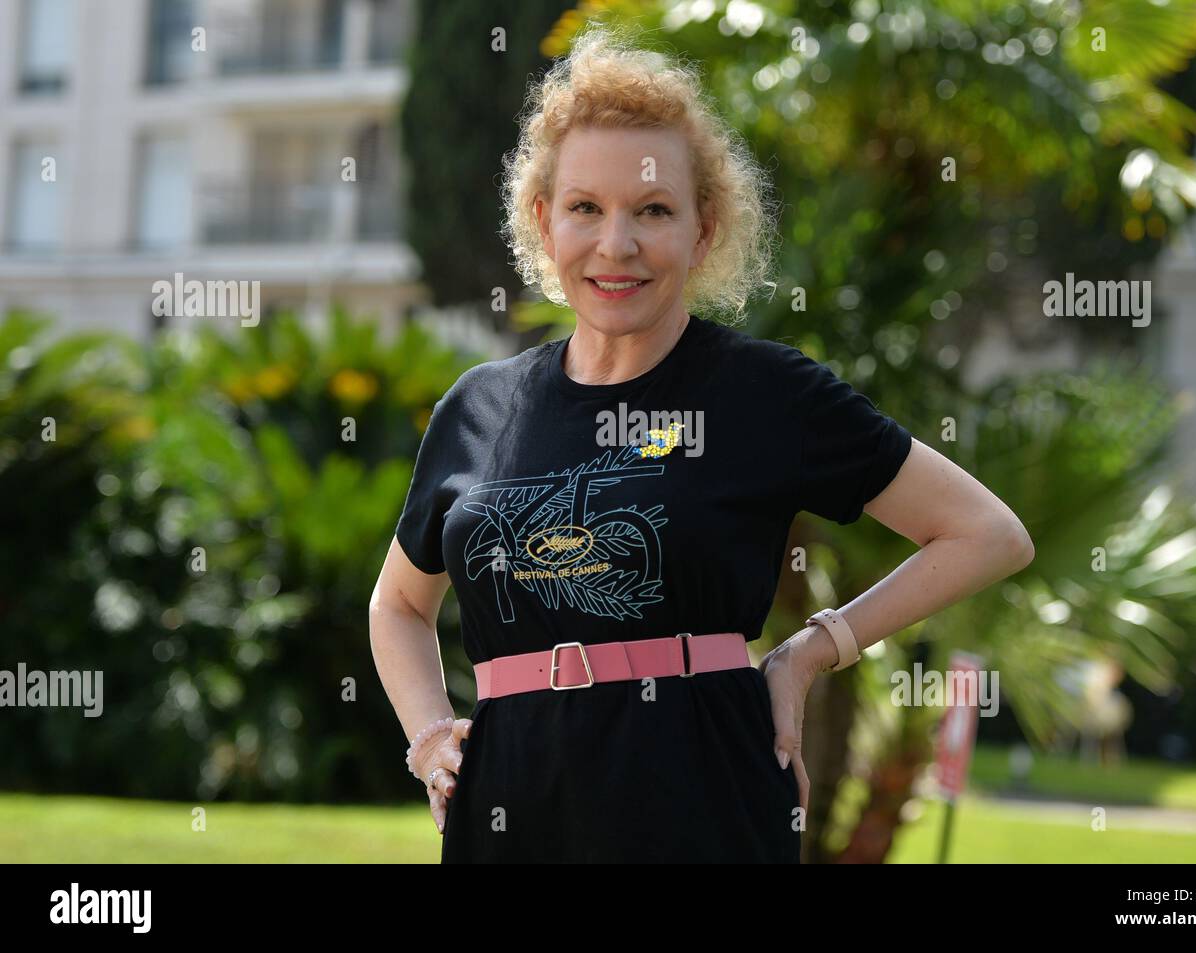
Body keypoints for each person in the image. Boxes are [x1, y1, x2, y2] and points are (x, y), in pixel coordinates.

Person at [368, 25, 1034, 863]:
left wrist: (810, 650)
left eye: (653, 210)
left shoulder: (764, 393)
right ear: (543, 222)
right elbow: (398, 604)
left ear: (704, 230)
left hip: (703, 805)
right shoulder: (479, 406)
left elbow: (988, 533)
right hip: (508, 813)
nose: (617, 245)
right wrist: (429, 736)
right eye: (585, 209)